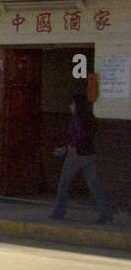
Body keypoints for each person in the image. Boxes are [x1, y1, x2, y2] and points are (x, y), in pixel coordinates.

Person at [50, 93, 114, 224]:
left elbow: (78, 136)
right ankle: (105, 214)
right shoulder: (90, 118)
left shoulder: (77, 119)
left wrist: (68, 147)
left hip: (75, 156)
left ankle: (58, 212)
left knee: (64, 184)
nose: (70, 107)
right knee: (95, 186)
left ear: (77, 105)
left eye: (72, 104)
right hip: (90, 155)